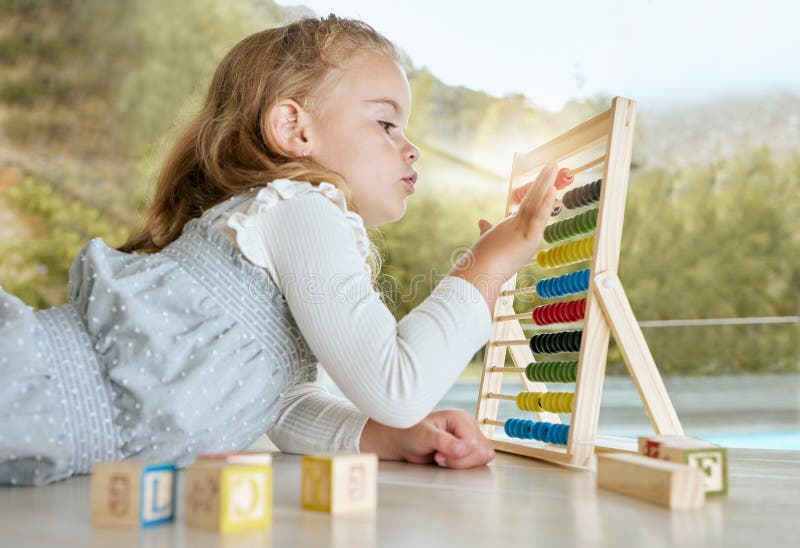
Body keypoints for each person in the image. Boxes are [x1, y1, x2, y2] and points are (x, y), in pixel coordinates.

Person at [0, 15, 558, 486]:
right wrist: (485, 268)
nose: (410, 149)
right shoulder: (301, 208)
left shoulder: (278, 229)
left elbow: (282, 406)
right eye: (386, 123)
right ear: (295, 128)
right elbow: (397, 386)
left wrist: (387, 436)